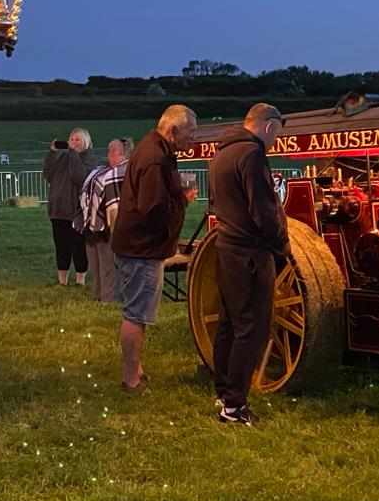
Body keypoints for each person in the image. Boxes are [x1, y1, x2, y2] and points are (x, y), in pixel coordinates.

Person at [206, 103, 289, 426]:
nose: (275, 141)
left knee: (229, 324)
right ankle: (235, 407)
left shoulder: (222, 153)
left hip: (227, 246)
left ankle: (224, 390)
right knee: (251, 328)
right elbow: (264, 210)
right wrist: (280, 245)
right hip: (251, 253)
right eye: (277, 134)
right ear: (269, 127)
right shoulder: (252, 155)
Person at [110, 106, 198, 390]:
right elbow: (152, 208)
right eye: (190, 133)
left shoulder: (153, 149)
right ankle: (130, 378)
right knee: (136, 313)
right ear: (172, 131)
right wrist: (181, 202)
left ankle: (135, 368)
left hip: (137, 245)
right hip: (142, 248)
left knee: (138, 311)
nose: (193, 139)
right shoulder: (156, 159)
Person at [78, 137, 129, 302]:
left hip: (109, 226)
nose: (109, 155)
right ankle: (99, 294)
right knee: (97, 263)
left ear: (119, 154)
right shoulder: (101, 172)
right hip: (94, 224)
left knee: (108, 264)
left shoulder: (120, 173)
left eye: (111, 151)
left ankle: (108, 297)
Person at [44, 128, 93, 285]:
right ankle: (62, 279)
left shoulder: (88, 158)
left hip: (77, 210)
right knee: (61, 245)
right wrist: (52, 154)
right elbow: (47, 174)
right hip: (58, 209)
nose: (73, 142)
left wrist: (73, 154)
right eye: (71, 139)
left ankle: (80, 279)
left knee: (79, 246)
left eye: (78, 139)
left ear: (86, 142)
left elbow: (79, 177)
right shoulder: (62, 157)